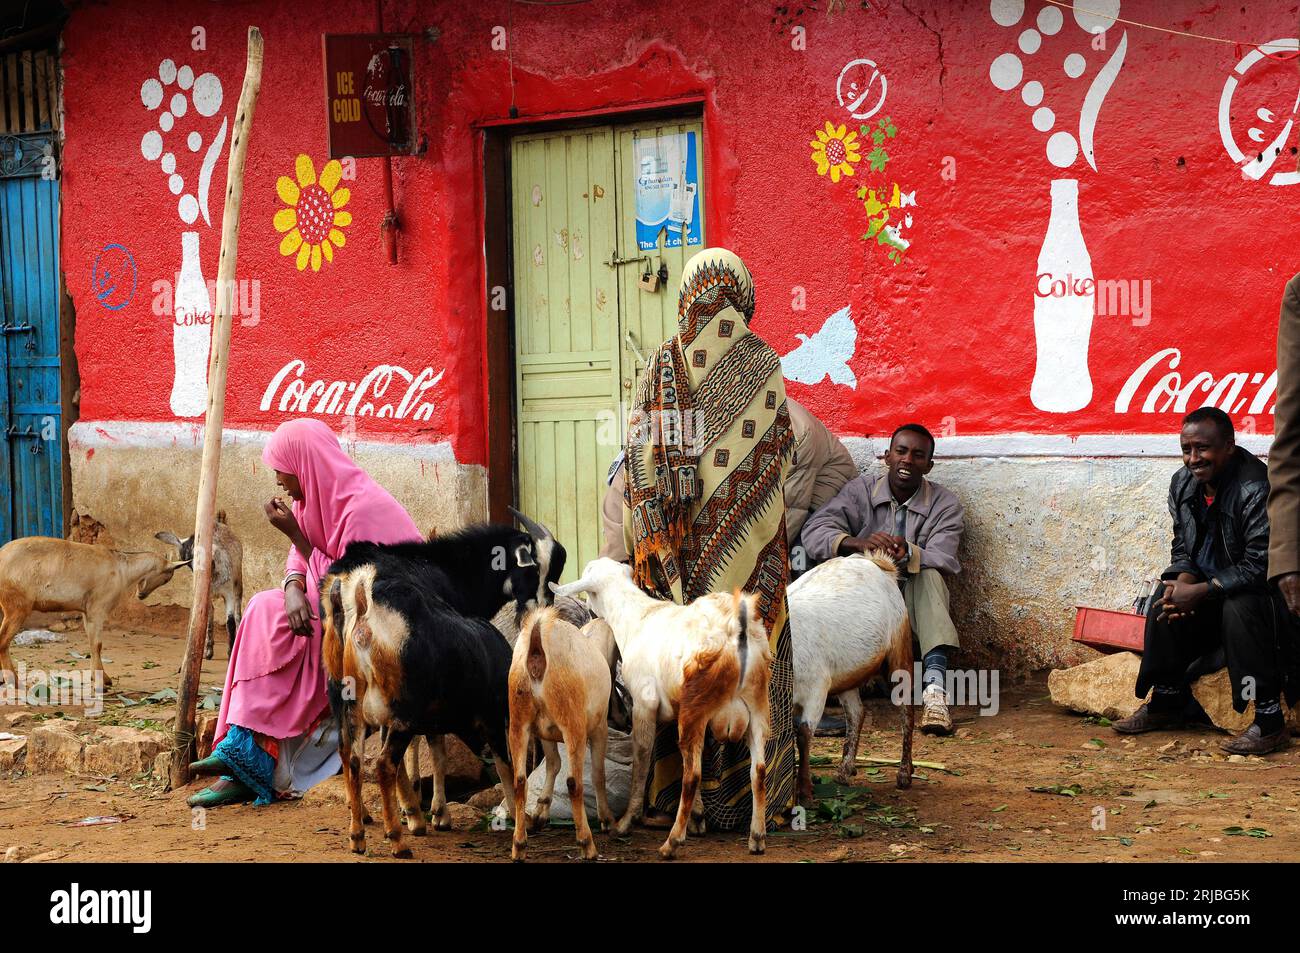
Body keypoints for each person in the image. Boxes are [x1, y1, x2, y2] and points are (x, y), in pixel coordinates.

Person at [622, 247, 797, 832]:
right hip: (755, 557)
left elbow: (641, 471)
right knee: (749, 656)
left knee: (685, 663)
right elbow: (776, 461)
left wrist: (656, 545)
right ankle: (758, 800)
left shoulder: (661, 366)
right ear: (743, 296)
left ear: (687, 298)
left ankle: (680, 803)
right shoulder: (763, 363)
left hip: (683, 560)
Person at [186, 419, 424, 807]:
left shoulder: (362, 507)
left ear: (305, 465)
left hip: (377, 614)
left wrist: (295, 535)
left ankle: (256, 757)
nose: (278, 480)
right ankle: (243, 748)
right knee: (266, 606)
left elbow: (352, 586)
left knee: (271, 613)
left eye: (282, 469)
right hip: (333, 596)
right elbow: (302, 557)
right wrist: (292, 586)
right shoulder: (311, 497)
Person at [1114, 408, 1294, 755]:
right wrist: (1181, 586)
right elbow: (1183, 546)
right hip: (1213, 593)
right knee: (1162, 602)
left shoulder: (1255, 487)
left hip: (1263, 604)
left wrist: (1202, 591)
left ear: (1229, 445)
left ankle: (1270, 722)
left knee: (1238, 609)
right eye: (1186, 449)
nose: (1193, 459)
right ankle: (1167, 701)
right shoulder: (1182, 484)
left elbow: (1261, 563)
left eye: (1202, 449)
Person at [801, 423, 964, 735]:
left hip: (910, 604)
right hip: (864, 606)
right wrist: (856, 544)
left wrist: (908, 553)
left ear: (928, 465)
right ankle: (837, 687)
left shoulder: (945, 504)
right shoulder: (860, 491)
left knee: (930, 576)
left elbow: (945, 557)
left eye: (918, 456)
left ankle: (935, 693)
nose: (907, 460)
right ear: (887, 456)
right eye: (900, 452)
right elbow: (814, 532)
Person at [599, 396, 857, 561]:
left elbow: (781, 523)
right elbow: (616, 539)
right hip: (757, 476)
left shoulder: (793, 433)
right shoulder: (645, 453)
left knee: (792, 562)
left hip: (821, 487)